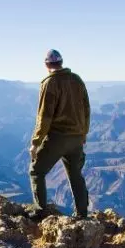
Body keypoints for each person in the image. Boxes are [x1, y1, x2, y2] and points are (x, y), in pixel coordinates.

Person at [29, 49, 90, 221]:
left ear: (46, 65)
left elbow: (44, 116)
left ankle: (40, 210)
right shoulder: (76, 80)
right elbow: (86, 108)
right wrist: (83, 132)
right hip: (77, 137)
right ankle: (82, 215)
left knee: (36, 171)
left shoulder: (49, 83)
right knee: (75, 175)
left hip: (58, 137)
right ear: (61, 62)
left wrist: (36, 142)